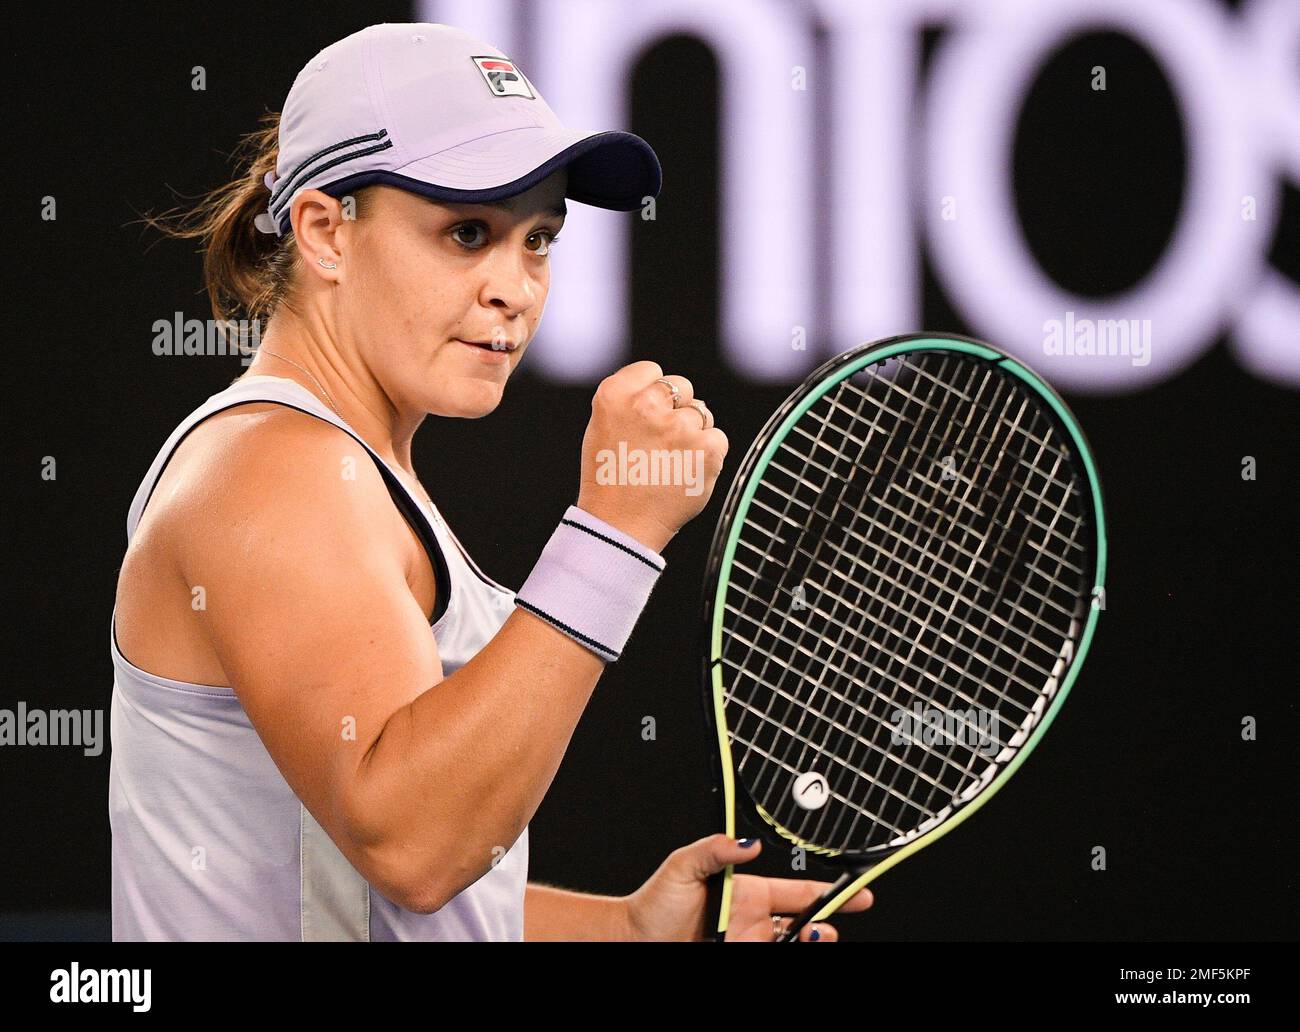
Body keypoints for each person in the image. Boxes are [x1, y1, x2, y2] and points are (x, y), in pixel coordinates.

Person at [111, 21, 873, 941]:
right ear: (325, 231)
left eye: (539, 239)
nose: (515, 287)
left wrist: (631, 931)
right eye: (467, 231)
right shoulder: (274, 472)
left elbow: (380, 896)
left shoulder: (337, 463)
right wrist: (616, 531)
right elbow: (414, 848)